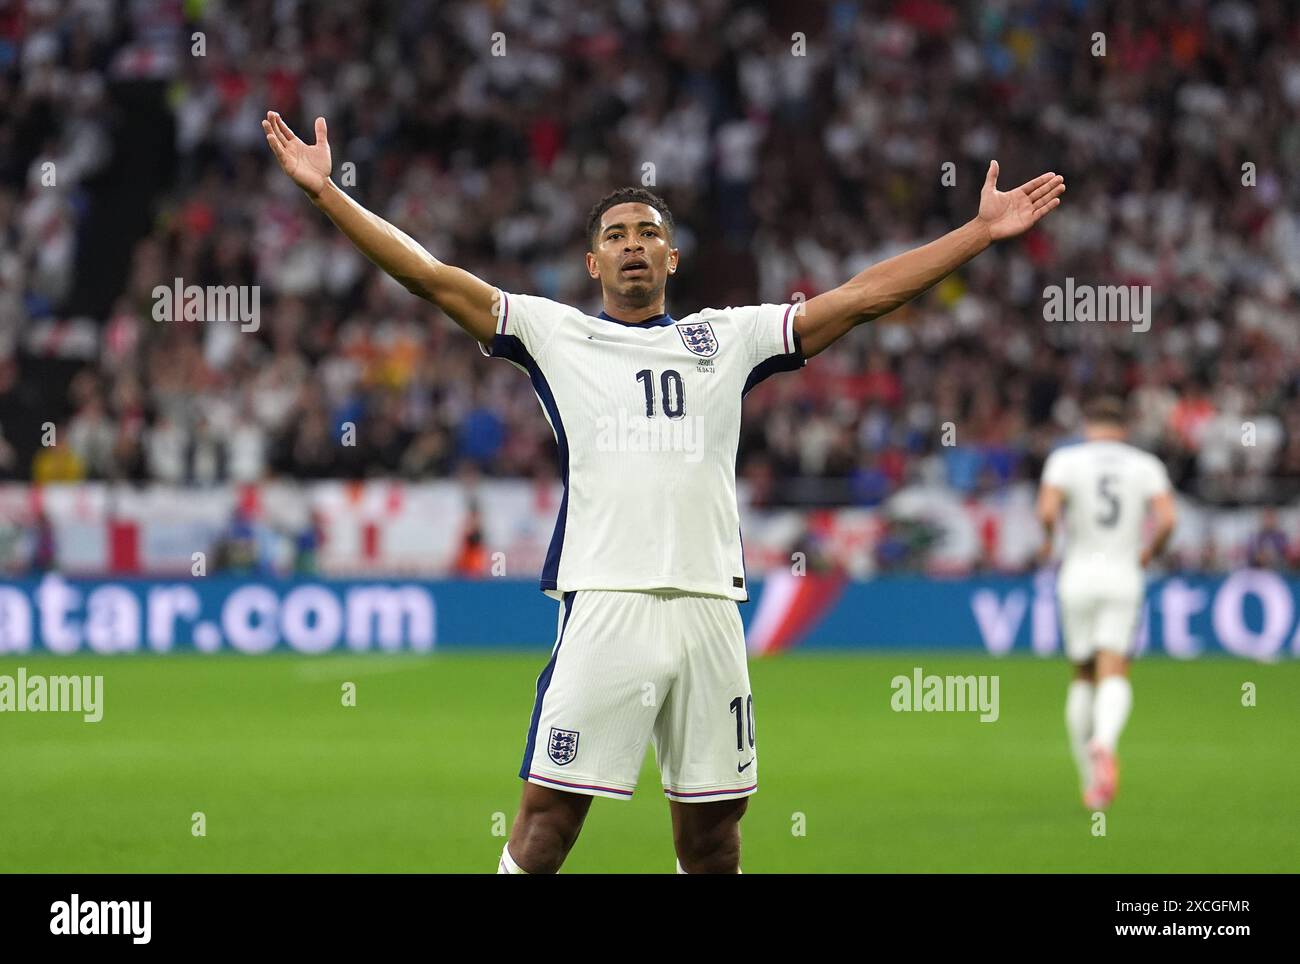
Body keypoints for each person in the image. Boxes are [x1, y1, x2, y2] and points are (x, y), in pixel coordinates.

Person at [262, 110, 1065, 872]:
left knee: (715, 841)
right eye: (615, 235)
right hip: (606, 600)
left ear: (673, 258)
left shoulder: (729, 337)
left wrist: (979, 233)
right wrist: (328, 193)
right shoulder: (555, 333)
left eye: (649, 233)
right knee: (547, 826)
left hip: (711, 607)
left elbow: (860, 299)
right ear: (593, 263)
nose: (633, 245)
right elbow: (431, 278)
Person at [1037, 397, 1176, 810]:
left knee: (1082, 675)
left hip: (1078, 574)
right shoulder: (1144, 464)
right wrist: (1153, 550)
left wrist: (1050, 539)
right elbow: (1168, 519)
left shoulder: (1065, 460)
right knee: (1114, 665)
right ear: (1123, 429)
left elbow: (1047, 510)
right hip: (1123, 575)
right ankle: (1105, 741)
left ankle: (1090, 781)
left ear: (1088, 426)